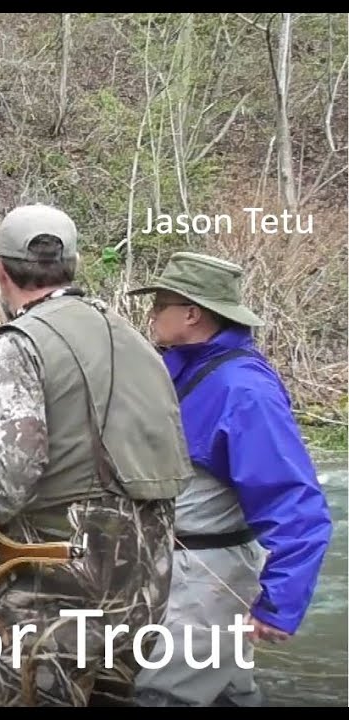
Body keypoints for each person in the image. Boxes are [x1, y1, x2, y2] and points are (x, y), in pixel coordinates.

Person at [0, 204, 196, 707]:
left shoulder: (15, 349)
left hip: (51, 600)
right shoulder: (138, 344)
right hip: (143, 597)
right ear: (73, 265)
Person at [126, 251, 333, 707]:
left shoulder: (244, 390)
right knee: (229, 696)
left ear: (192, 314)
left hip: (206, 580)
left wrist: (279, 602)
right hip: (191, 573)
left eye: (159, 304)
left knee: (159, 696)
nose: (151, 314)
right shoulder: (186, 371)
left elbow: (295, 500)